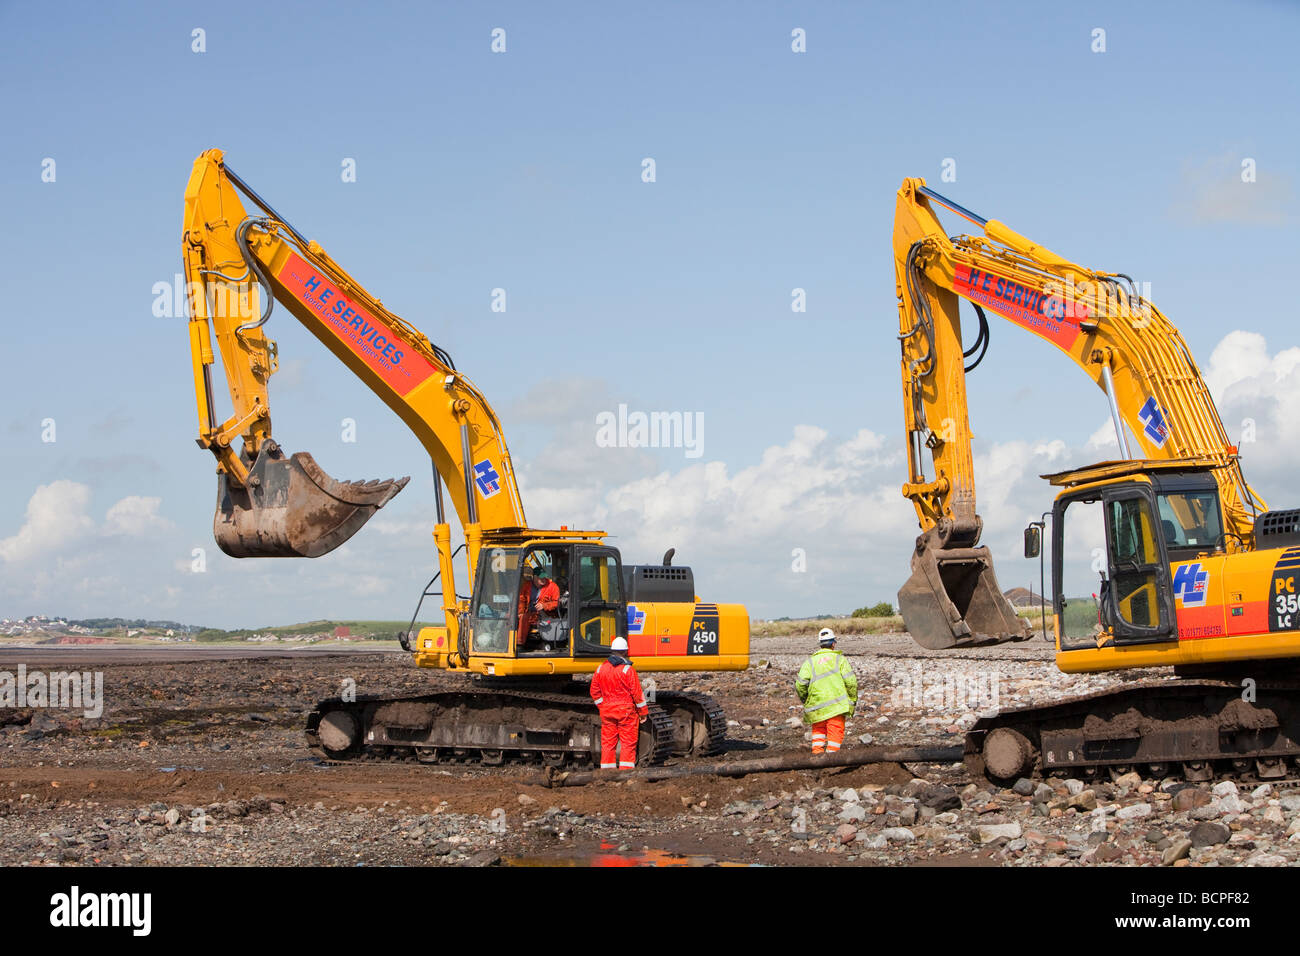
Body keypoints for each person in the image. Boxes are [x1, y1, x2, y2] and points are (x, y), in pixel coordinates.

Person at [589, 636, 648, 769]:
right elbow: (637, 694)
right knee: (628, 742)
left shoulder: (600, 669)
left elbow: (594, 691)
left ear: (612, 651)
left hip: (607, 711)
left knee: (608, 742)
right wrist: (643, 712)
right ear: (625, 652)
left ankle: (607, 772)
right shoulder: (628, 670)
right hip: (626, 711)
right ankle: (625, 774)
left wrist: (602, 706)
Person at [795, 627, 857, 754]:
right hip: (837, 706)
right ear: (833, 643)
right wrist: (852, 700)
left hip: (816, 707)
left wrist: (806, 699)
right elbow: (851, 683)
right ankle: (832, 762)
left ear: (820, 645)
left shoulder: (810, 662)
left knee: (818, 734)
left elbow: (800, 685)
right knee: (835, 734)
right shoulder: (840, 660)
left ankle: (817, 758)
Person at [516, 566, 536, 649]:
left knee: (523, 618)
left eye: (529, 576)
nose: (528, 578)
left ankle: (519, 643)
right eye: (526, 576)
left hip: (534, 613)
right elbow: (522, 599)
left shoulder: (546, 587)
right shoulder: (526, 586)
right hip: (525, 610)